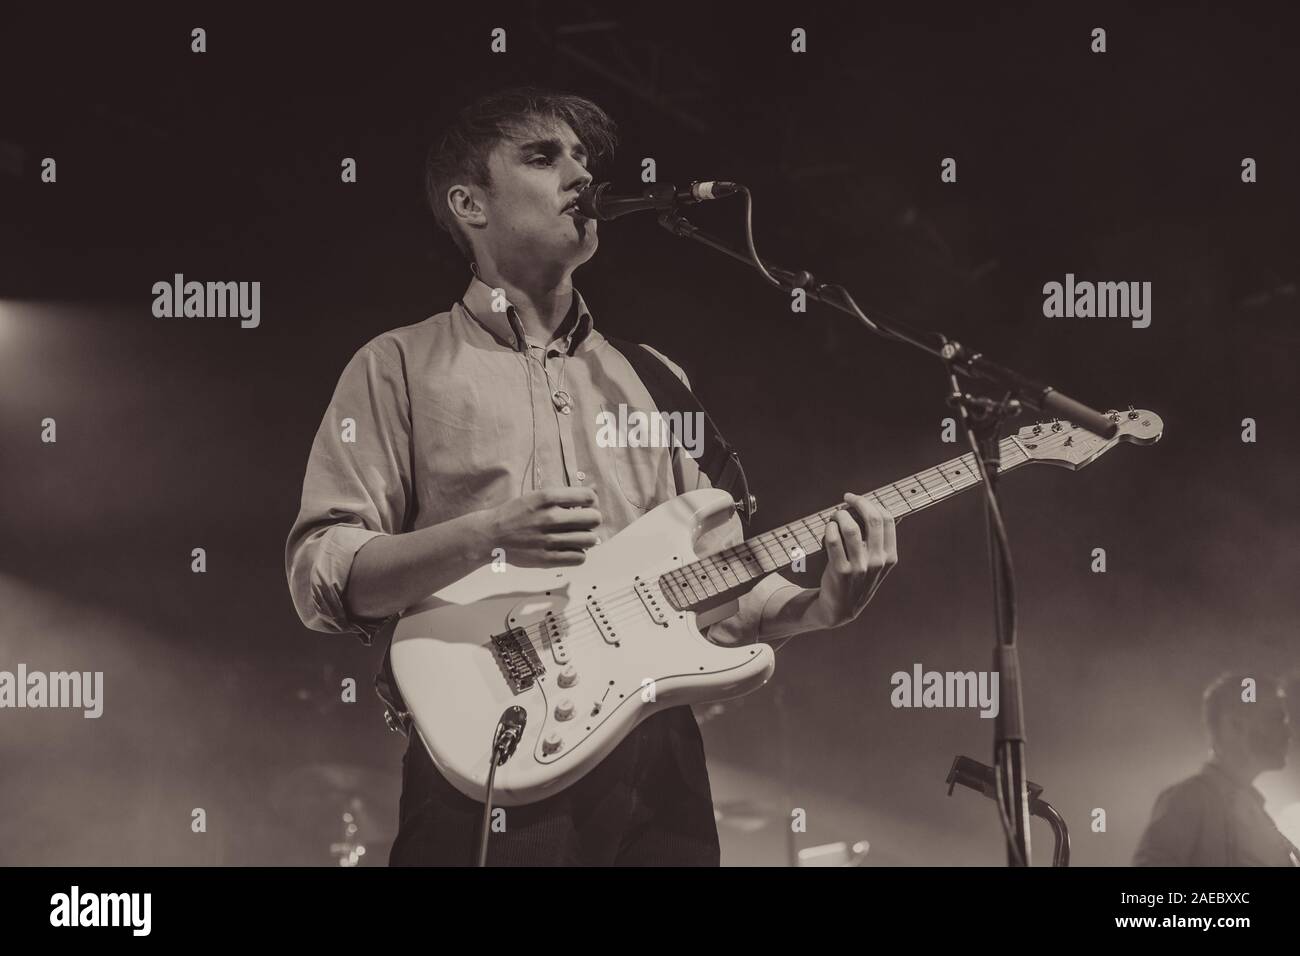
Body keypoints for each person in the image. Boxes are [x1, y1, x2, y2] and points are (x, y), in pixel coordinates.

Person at [285, 87, 899, 865]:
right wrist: (487, 535)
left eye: (584, 157)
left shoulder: (655, 377)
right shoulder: (398, 365)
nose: (580, 175)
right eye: (543, 157)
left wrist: (817, 606)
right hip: (488, 752)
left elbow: (717, 591)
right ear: (469, 204)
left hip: (658, 761)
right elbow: (322, 576)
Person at [1133, 672, 1298, 866]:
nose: (1289, 733)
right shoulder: (1189, 799)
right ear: (1235, 725)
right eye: (1276, 719)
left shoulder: (1258, 812)